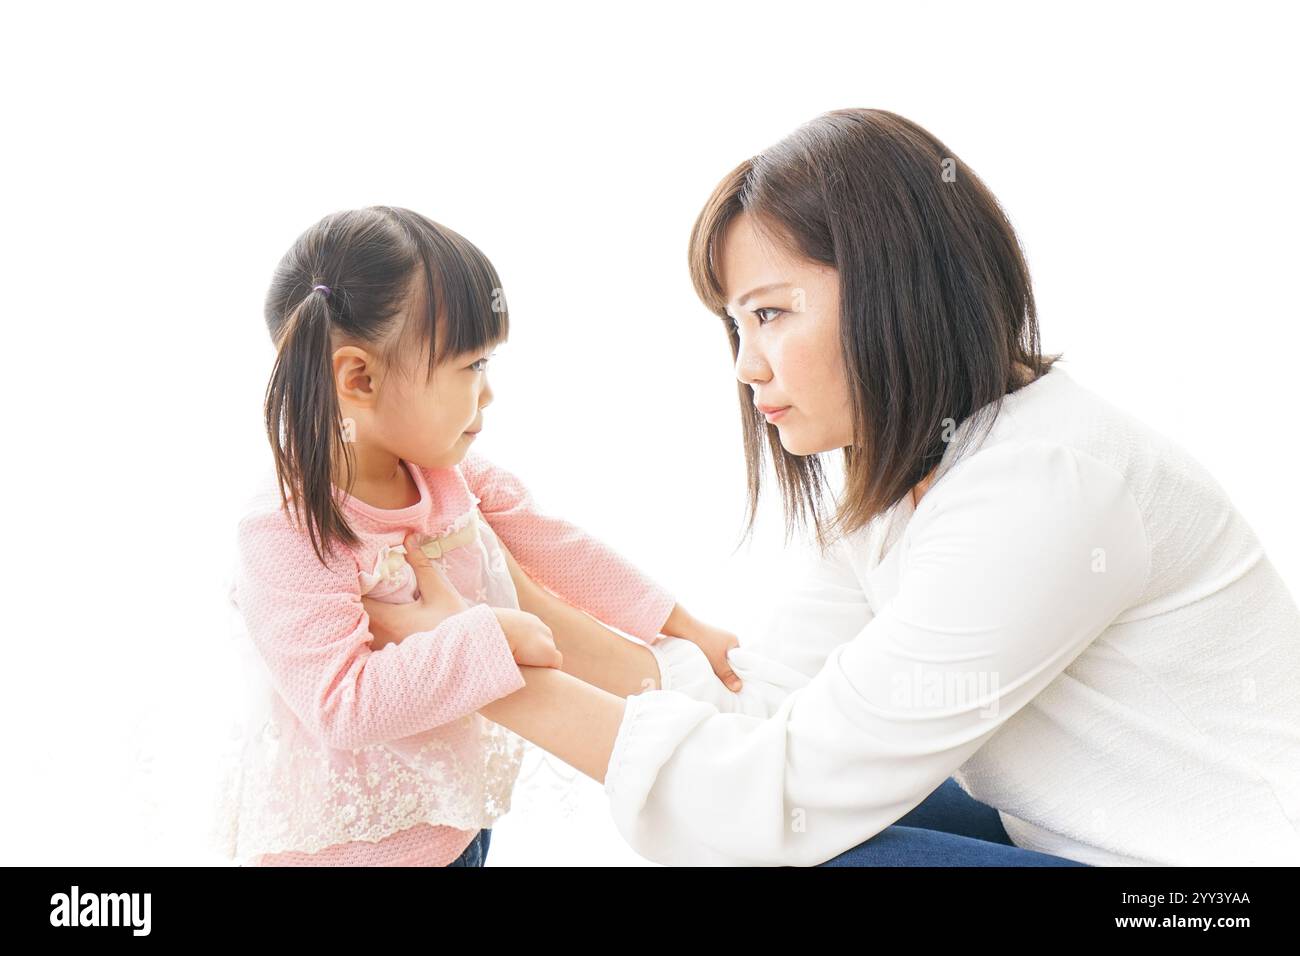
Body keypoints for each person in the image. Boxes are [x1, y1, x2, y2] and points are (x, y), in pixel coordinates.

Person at [383, 109, 1300, 866]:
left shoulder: (1045, 489)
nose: (746, 366)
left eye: (772, 313)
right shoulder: (916, 467)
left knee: (786, 842)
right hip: (1071, 840)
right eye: (736, 327)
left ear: (899, 287)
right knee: (811, 807)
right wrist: (509, 603)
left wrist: (464, 669)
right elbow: (764, 703)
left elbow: (767, 802)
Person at [211, 206, 739, 866]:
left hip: (452, 825)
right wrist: (486, 633)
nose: (487, 395)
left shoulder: (447, 472)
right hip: (351, 853)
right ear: (359, 379)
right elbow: (340, 704)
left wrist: (677, 622)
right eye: (470, 367)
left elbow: (560, 547)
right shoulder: (286, 530)